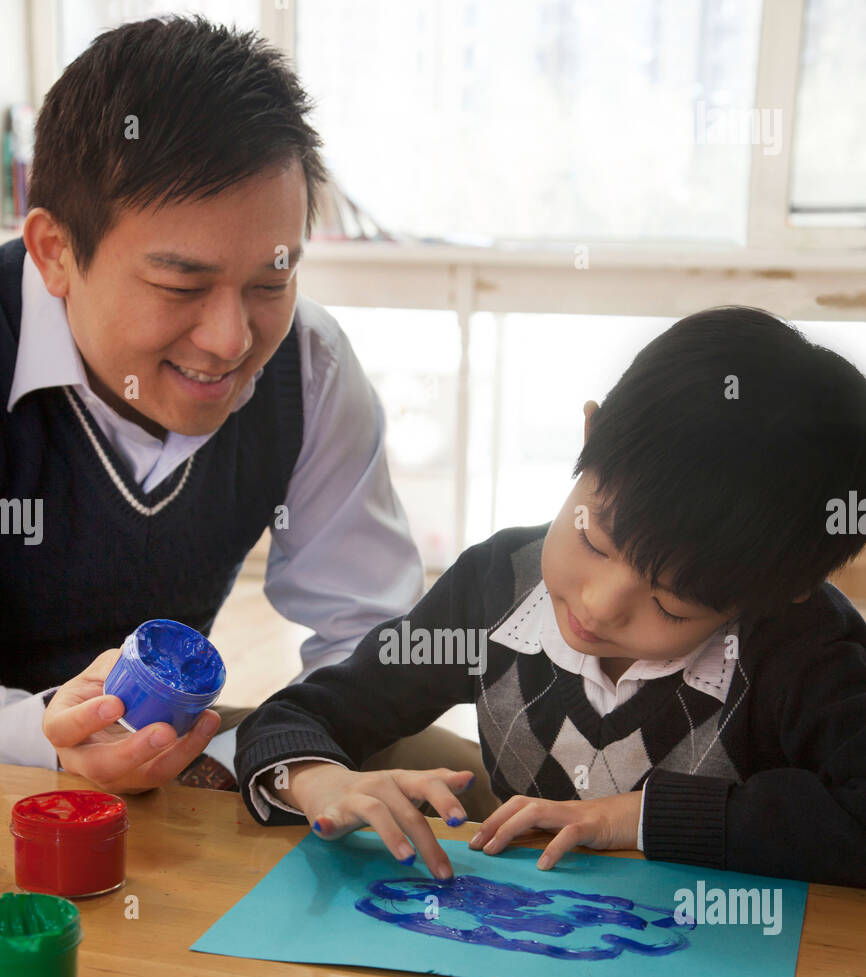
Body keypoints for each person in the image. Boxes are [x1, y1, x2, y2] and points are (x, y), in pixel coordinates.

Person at [0, 14, 490, 809]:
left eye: (271, 281)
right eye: (180, 286)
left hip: (166, 743)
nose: (231, 341)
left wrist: (262, 759)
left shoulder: (310, 364)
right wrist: (45, 740)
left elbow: (369, 642)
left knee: (465, 775)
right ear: (56, 252)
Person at [234, 306, 866, 890]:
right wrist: (312, 779)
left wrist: (634, 819)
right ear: (589, 437)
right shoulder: (495, 587)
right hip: (530, 949)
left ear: (781, 591)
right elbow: (304, 714)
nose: (597, 605)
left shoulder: (803, 647)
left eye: (672, 603)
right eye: (596, 541)